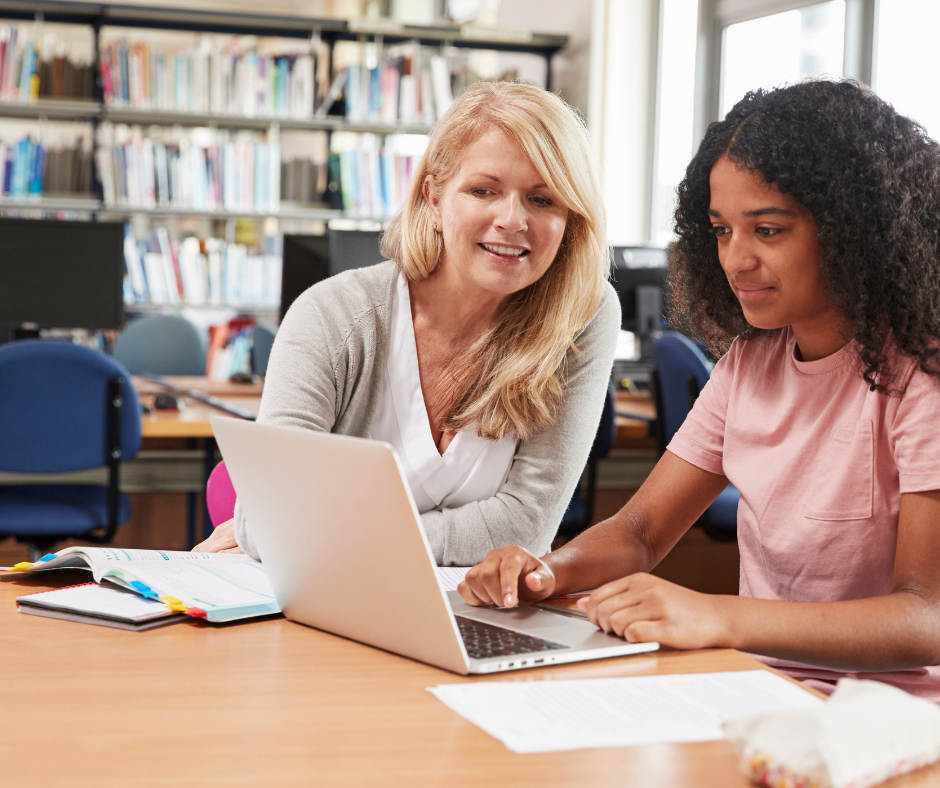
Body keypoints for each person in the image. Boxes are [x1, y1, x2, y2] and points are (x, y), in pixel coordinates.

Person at [459, 80, 940, 700]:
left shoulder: (921, 377)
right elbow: (640, 531)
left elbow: (927, 617)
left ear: (854, 230)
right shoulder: (750, 362)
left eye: (767, 230)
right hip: (760, 691)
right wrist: (548, 573)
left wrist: (718, 617)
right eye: (720, 231)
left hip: (891, 721)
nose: (735, 260)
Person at [195, 81, 620, 566]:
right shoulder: (331, 315)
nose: (512, 220)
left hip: (476, 622)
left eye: (543, 200)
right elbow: (271, 520)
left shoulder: (581, 312)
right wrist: (286, 529)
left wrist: (325, 535)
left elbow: (526, 526)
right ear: (433, 199)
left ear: (570, 219)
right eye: (484, 190)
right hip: (325, 608)